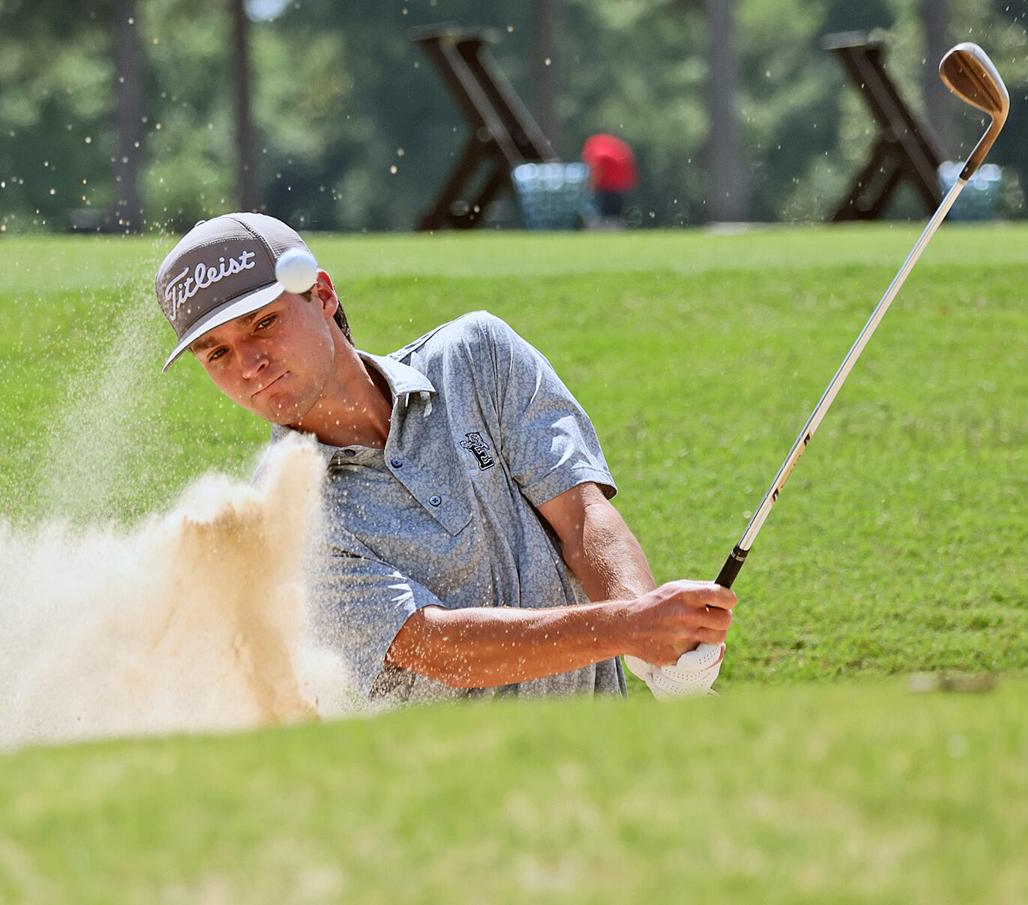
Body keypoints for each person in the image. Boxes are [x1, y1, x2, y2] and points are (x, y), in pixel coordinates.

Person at [155, 212, 734, 705]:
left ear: (323, 295)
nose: (249, 363)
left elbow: (582, 519)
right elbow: (437, 648)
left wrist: (655, 640)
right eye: (217, 352)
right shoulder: (279, 516)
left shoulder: (477, 358)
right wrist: (629, 628)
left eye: (264, 323)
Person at [582, 134, 638, 225]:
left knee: (607, 218)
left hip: (607, 189)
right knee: (615, 217)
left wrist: (590, 186)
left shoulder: (595, 150)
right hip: (619, 188)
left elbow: (597, 168)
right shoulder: (613, 150)